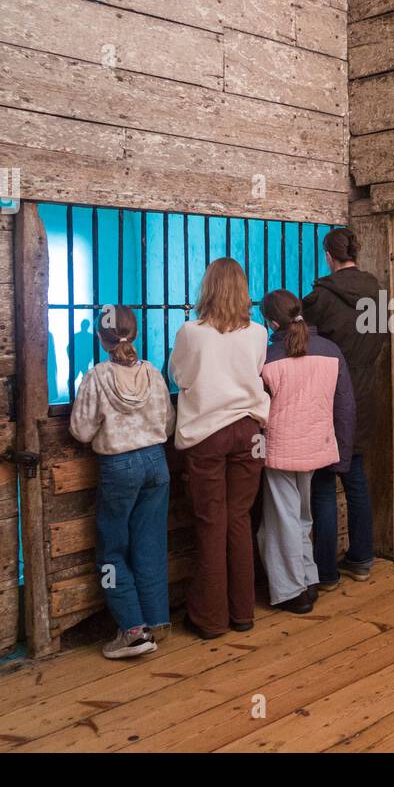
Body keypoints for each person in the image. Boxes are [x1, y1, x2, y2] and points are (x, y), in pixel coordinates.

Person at [169, 258, 270, 639]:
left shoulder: (190, 332)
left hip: (208, 432)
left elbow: (179, 376)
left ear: (207, 288)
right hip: (249, 432)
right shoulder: (258, 332)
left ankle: (210, 619)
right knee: (240, 518)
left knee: (211, 522)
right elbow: (255, 373)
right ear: (243, 291)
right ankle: (242, 612)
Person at [69, 304, 175, 659]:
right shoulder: (153, 373)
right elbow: (168, 424)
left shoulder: (98, 376)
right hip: (156, 463)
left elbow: (81, 430)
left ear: (101, 339)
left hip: (119, 466)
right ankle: (156, 618)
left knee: (112, 551)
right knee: (150, 544)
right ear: (137, 333)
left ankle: (132, 630)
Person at [257, 290, 355, 613]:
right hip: (316, 448)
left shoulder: (267, 358)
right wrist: (342, 453)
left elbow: (257, 406)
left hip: (280, 449)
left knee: (281, 519)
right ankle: (309, 578)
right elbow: (345, 406)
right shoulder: (331, 351)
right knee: (302, 516)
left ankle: (292, 592)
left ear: (272, 322)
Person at [302, 227, 387, 588]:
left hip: (329, 396)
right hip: (366, 395)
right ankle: (362, 558)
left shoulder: (319, 298)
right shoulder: (380, 294)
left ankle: (325, 573)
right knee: (355, 477)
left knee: (322, 482)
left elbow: (304, 348)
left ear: (327, 256)